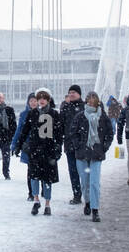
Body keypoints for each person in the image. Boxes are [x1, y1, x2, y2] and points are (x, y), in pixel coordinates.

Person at [75, 91, 114, 221]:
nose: (91, 103)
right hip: (82, 154)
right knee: (85, 182)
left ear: (97, 102)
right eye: (89, 101)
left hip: (97, 153)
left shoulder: (103, 117)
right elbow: (73, 133)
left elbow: (110, 133)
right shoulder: (80, 116)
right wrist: (78, 145)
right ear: (86, 102)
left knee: (94, 182)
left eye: (94, 101)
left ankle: (95, 209)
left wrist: (104, 147)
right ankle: (87, 201)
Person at [23, 88, 63, 216]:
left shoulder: (54, 114)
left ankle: (47, 204)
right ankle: (36, 200)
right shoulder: (32, 114)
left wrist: (58, 148)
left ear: (48, 100)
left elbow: (59, 133)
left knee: (47, 179)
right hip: (35, 150)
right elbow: (25, 130)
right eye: (39, 98)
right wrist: (20, 145)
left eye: (44, 98)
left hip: (49, 150)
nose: (41, 100)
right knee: (34, 177)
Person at [58, 84, 86, 205]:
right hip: (69, 144)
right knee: (73, 171)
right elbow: (60, 127)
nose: (71, 94)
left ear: (79, 94)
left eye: (73, 92)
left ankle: (87, 195)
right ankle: (77, 194)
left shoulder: (85, 107)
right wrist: (59, 142)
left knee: (84, 171)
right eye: (70, 92)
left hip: (83, 145)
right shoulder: (65, 108)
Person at [11, 92, 39, 202]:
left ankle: (40, 190)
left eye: (35, 100)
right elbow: (19, 130)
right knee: (30, 170)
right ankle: (31, 193)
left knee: (41, 169)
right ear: (28, 102)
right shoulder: (23, 114)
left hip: (40, 145)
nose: (33, 103)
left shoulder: (43, 113)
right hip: (28, 145)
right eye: (31, 101)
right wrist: (14, 144)